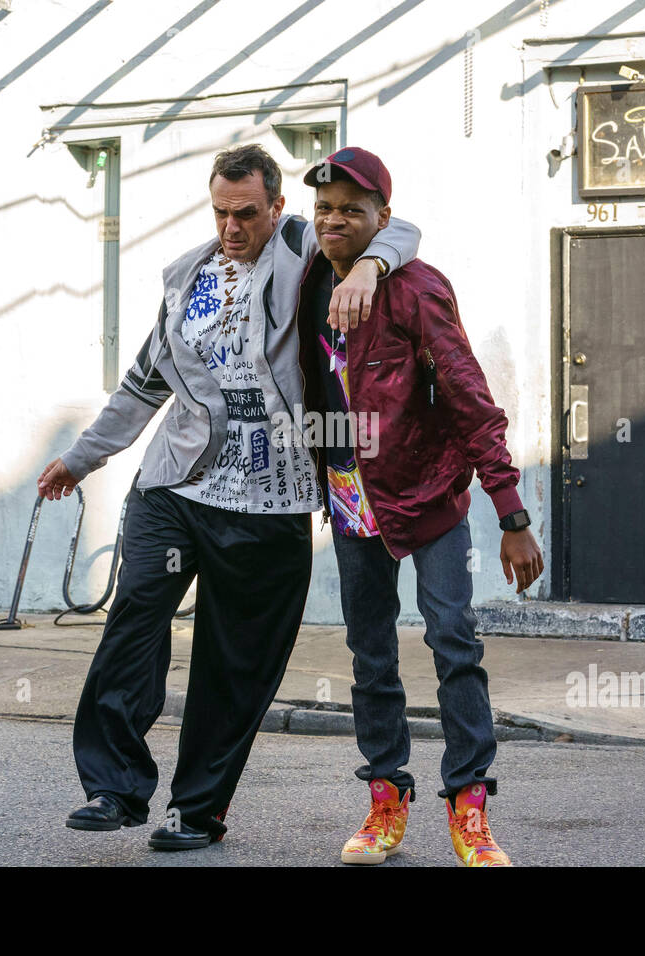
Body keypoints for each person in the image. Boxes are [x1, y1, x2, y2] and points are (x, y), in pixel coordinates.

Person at [37, 144, 420, 852]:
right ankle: (113, 788)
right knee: (136, 617)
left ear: (277, 207)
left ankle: (197, 812)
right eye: (220, 212)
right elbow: (144, 384)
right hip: (176, 485)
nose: (231, 227)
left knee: (234, 665)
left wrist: (367, 266)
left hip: (270, 503)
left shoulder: (306, 248)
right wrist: (82, 458)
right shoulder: (189, 277)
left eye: (246, 213)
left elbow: (399, 232)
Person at [291, 147, 543, 866]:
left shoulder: (417, 289)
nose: (336, 220)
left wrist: (511, 512)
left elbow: (469, 396)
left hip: (427, 494)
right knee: (371, 657)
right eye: (326, 209)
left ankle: (470, 807)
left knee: (453, 642)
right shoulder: (308, 280)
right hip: (349, 503)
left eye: (352, 209)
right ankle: (383, 800)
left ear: (383, 219)